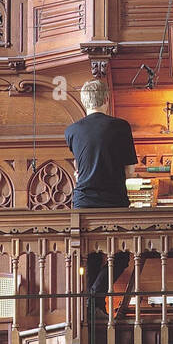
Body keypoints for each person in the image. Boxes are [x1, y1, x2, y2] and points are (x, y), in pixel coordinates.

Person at [64, 78, 138, 320]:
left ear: (85, 102)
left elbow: (79, 168)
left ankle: (93, 308)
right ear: (106, 99)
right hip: (114, 201)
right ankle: (96, 296)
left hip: (84, 202)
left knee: (91, 256)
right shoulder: (121, 126)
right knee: (121, 255)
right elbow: (129, 172)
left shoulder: (71, 131)